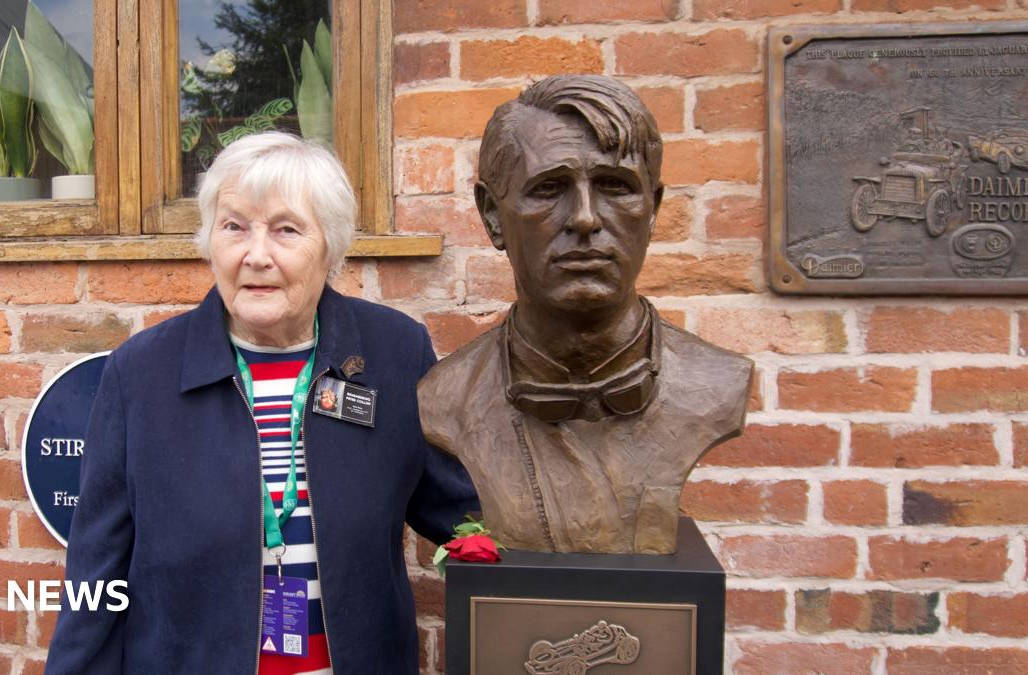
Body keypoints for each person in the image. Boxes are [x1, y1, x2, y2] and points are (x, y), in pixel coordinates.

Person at [46, 132, 477, 674]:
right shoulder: (141, 372)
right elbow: (96, 573)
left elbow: (462, 517)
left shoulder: (393, 354)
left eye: (286, 230)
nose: (255, 256)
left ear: (331, 246)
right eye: (233, 227)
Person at [417, 75, 753, 556]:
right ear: (492, 215)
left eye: (616, 187)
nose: (585, 218)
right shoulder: (444, 401)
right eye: (549, 188)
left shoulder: (718, 382)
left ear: (652, 211)